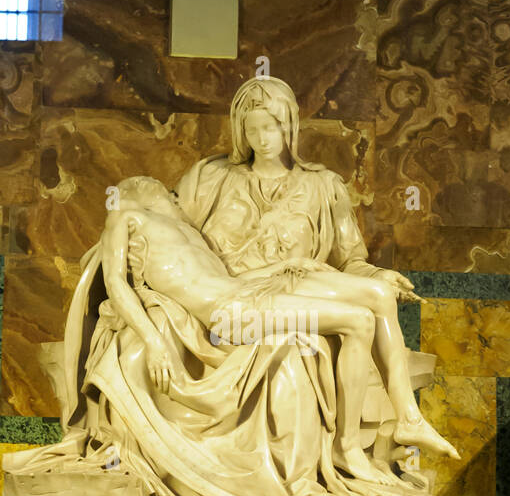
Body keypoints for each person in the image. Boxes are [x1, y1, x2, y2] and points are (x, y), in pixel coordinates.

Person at [177, 75, 458, 461]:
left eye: (271, 126)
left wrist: (378, 274)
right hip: (239, 295)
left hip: (298, 284)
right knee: (361, 312)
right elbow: (171, 235)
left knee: (377, 293)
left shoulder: (324, 186)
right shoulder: (211, 179)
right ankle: (357, 443)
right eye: (252, 128)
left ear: (288, 126)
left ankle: (408, 416)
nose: (262, 138)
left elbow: (349, 260)